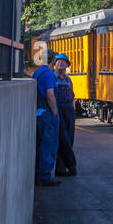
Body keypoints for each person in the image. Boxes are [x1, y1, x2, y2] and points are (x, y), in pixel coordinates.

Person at [33, 51, 62, 186]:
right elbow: (50, 94)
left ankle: (38, 173)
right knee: (48, 144)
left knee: (39, 145)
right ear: (53, 61)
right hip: (47, 114)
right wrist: (55, 112)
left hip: (38, 112)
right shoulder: (49, 75)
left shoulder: (37, 73)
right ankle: (45, 176)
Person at [53, 53, 78, 176]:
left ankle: (64, 166)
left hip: (69, 111)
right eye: (58, 61)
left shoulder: (68, 79)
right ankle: (65, 166)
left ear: (67, 65)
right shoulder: (53, 78)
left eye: (63, 62)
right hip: (59, 110)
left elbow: (72, 95)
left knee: (70, 138)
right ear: (54, 64)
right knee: (62, 140)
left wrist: (73, 109)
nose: (61, 64)